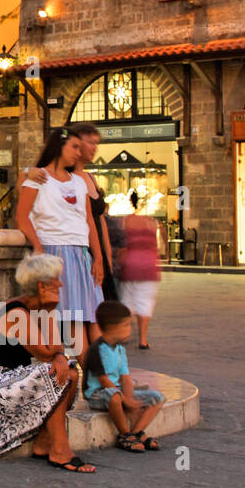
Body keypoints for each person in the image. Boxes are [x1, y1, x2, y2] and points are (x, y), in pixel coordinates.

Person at [0, 253, 92, 471]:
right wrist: (51, 317)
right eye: (56, 279)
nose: (61, 283)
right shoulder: (17, 313)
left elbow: (57, 352)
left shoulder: (36, 309)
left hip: (6, 382)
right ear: (42, 285)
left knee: (69, 373)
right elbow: (47, 353)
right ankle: (60, 451)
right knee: (67, 374)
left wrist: (59, 353)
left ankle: (45, 443)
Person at [16, 128, 103, 354]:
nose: (79, 151)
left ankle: (105, 378)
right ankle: (96, 382)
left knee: (94, 318)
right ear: (58, 147)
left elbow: (89, 221)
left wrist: (99, 257)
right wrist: (37, 245)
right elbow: (22, 217)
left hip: (81, 253)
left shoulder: (79, 181)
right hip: (55, 252)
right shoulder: (37, 178)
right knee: (73, 323)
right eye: (74, 147)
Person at [82, 300, 165, 452]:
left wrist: (130, 398)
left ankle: (137, 432)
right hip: (97, 394)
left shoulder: (120, 348)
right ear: (112, 328)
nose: (130, 330)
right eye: (126, 325)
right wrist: (126, 400)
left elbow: (125, 378)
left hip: (117, 390)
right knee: (115, 397)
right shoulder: (96, 349)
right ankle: (124, 434)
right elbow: (104, 380)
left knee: (157, 397)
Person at [115, 191, 162, 350]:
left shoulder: (126, 221)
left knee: (127, 302)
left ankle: (124, 334)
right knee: (145, 303)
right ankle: (142, 339)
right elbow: (157, 247)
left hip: (130, 266)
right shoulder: (152, 222)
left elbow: (123, 246)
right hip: (149, 267)